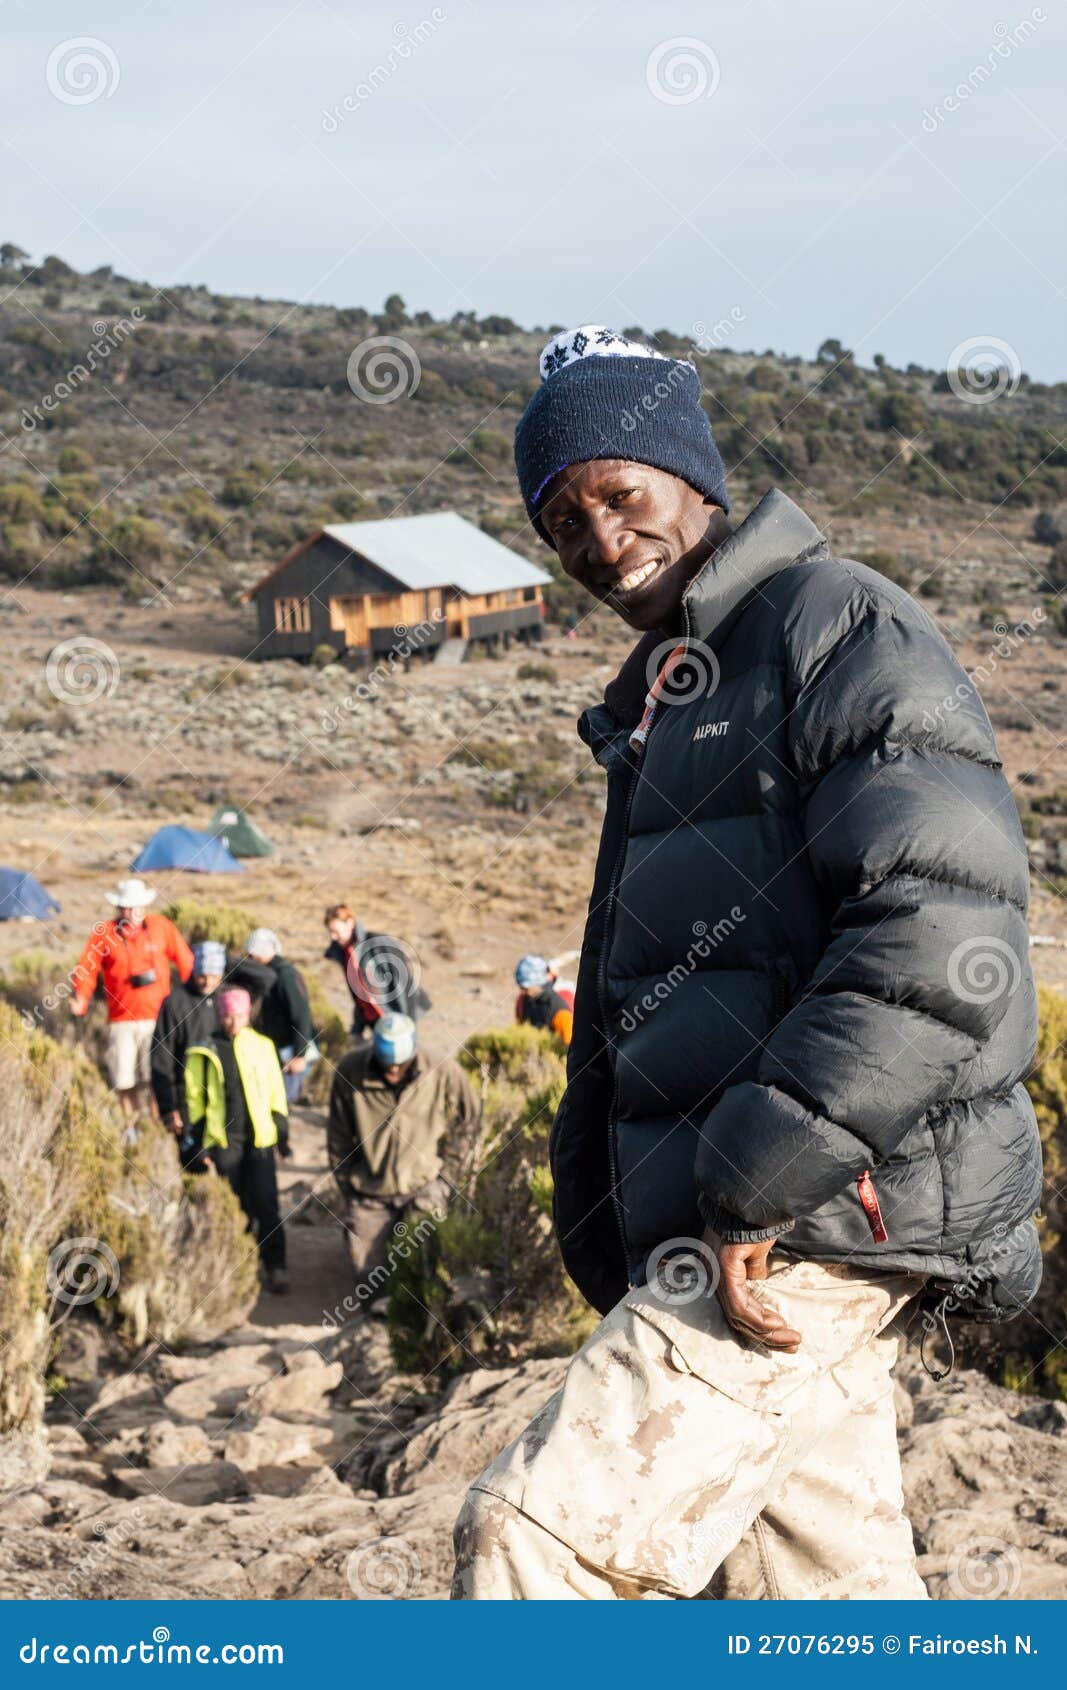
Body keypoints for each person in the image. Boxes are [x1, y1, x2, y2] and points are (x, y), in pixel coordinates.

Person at [451, 325, 1042, 1600]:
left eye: (620, 493)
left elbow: (939, 927)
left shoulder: (833, 624)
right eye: (563, 521)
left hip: (814, 1219)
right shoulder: (666, 692)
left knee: (534, 1540)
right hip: (766, 1225)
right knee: (815, 1610)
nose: (600, 542)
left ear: (692, 479)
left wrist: (754, 1184)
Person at [327, 1013, 479, 1310]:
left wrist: (449, 1174)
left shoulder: (440, 1068)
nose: (395, 1070)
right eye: (388, 1065)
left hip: (424, 1183)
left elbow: (470, 1117)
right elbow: (338, 1135)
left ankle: (419, 1327)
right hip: (369, 1189)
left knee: (425, 1267)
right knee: (370, 1277)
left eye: (402, 1064)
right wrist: (347, 1184)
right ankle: (373, 1331)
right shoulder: (350, 1070)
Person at [183, 986, 291, 1294]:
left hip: (259, 1138)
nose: (233, 1021)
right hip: (225, 1140)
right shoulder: (205, 1050)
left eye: (239, 1015)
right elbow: (195, 1098)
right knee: (235, 1206)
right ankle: (238, 1270)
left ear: (248, 1015)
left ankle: (276, 1265)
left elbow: (275, 1089)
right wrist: (199, 1141)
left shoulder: (263, 1046)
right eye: (228, 1016)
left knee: (267, 1204)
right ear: (220, 1016)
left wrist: (281, 1132)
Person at [70, 878, 194, 1125]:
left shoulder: (162, 927)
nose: (130, 912)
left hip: (158, 1019)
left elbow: (185, 960)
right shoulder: (104, 933)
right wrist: (81, 998)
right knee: (124, 1080)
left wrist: (194, 996)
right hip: (121, 1020)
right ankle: (132, 1127)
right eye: (125, 907)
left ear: (144, 906)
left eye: (135, 906)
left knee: (155, 1077)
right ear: (118, 909)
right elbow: (87, 968)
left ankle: (158, 1126)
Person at [151, 939, 226, 1148]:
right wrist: (168, 1108)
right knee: (193, 1161)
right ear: (194, 971)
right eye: (203, 975)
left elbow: (265, 979)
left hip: (222, 1096)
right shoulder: (175, 1002)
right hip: (187, 1099)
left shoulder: (225, 1000)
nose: (208, 982)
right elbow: (161, 1057)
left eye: (214, 976)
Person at [324, 904, 431, 1036]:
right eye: (330, 932)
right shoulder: (344, 953)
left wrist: (405, 1023)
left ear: (350, 923)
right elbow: (360, 996)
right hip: (377, 1023)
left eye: (335, 931)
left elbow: (403, 984)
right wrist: (357, 1030)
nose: (333, 937)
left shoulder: (378, 943)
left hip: (399, 1018)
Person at [241, 928, 319, 1104]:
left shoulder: (285, 975)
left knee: (281, 1101)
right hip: (281, 1051)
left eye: (251, 955)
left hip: (291, 1052)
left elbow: (301, 1014)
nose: (248, 959)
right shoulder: (270, 973)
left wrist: (299, 1054)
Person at [513, 955, 574, 1047]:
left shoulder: (560, 1010)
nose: (521, 991)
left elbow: (570, 1048)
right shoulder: (522, 1000)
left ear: (538, 982)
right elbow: (519, 1032)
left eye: (525, 987)